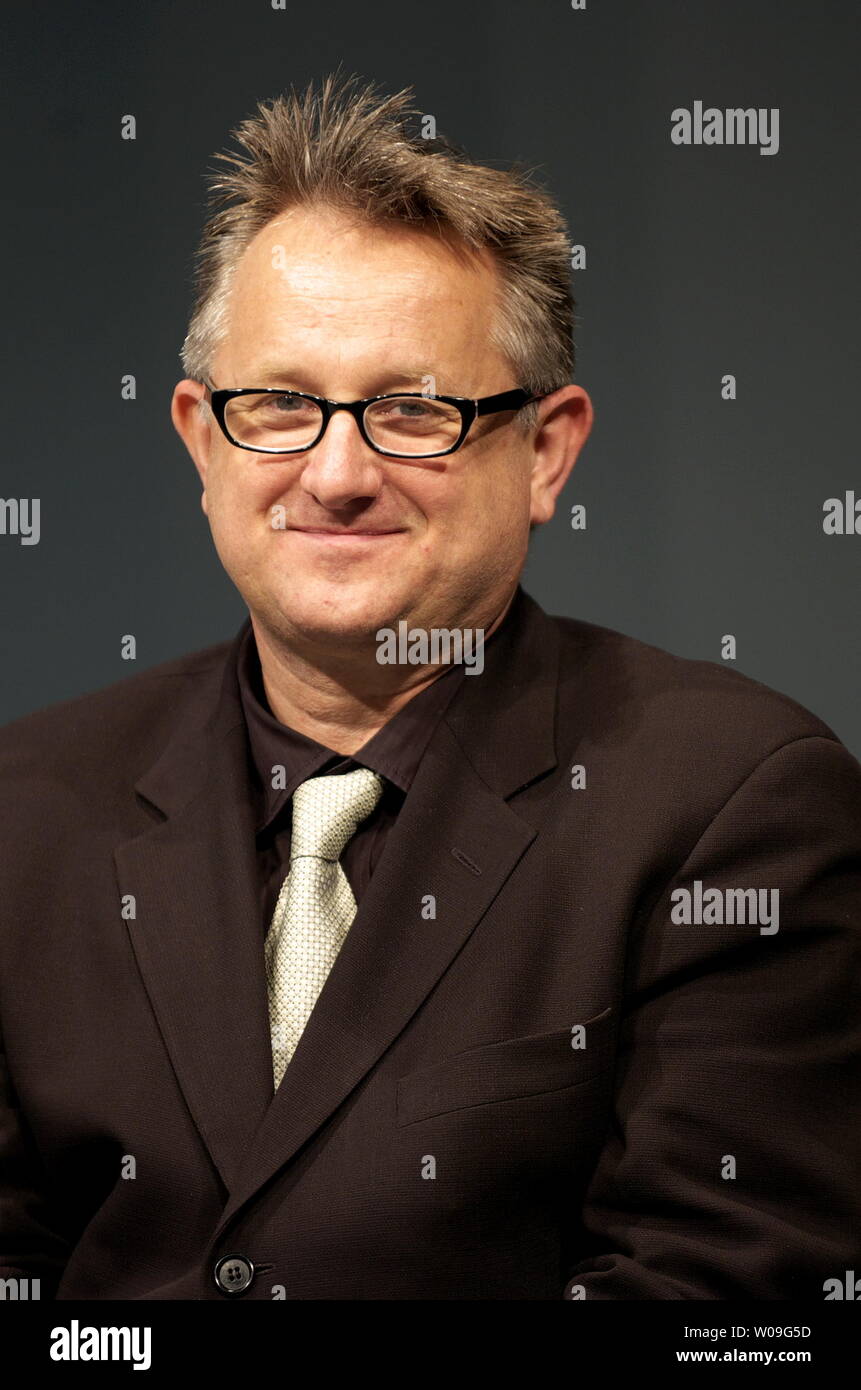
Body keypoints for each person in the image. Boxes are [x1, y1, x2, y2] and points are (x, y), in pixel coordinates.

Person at [0, 73, 858, 1301]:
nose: (336, 472)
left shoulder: (733, 807)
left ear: (546, 451)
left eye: (412, 410)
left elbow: (719, 1307)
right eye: (281, 404)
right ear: (200, 438)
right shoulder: (25, 806)